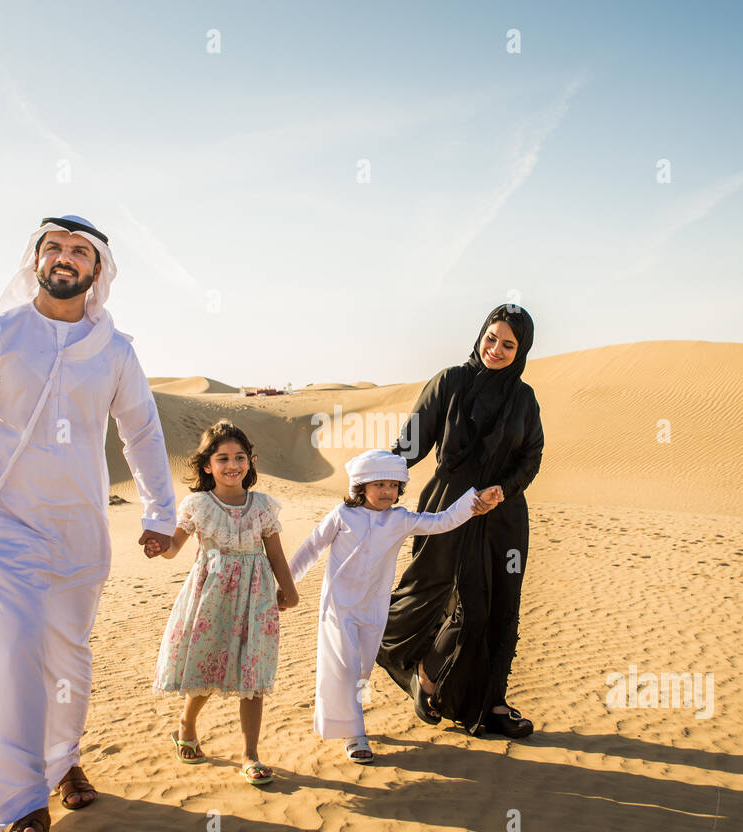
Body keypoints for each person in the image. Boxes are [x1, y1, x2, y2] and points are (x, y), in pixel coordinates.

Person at [0, 215, 176, 832]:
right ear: (36, 259)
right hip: (0, 522)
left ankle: (63, 760)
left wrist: (157, 511)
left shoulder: (115, 351)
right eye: (54, 248)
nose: (65, 258)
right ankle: (22, 799)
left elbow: (142, 431)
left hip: (79, 526)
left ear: (97, 271)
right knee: (8, 653)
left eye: (78, 252)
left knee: (67, 655)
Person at [377, 304, 544, 738]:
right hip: (450, 509)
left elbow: (532, 456)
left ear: (521, 349)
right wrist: (376, 481)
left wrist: (503, 490)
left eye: (509, 344)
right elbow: (410, 444)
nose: (496, 349)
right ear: (480, 335)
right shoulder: (451, 381)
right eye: (492, 338)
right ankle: (426, 675)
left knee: (502, 610)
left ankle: (492, 704)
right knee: (457, 602)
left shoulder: (523, 398)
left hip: (504, 515)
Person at [287, 450, 500, 763]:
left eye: (393, 485)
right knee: (344, 667)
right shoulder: (343, 515)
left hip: (373, 610)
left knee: (359, 670)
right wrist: (285, 583)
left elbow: (441, 521)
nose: (387, 491)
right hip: (338, 608)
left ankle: (339, 720)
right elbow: (311, 547)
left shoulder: (399, 519)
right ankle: (355, 734)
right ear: (361, 486)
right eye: (379, 484)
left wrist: (473, 502)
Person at [152, 419, 297, 786]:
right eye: (222, 458)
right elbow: (174, 547)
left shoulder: (263, 506)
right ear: (207, 465)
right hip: (211, 596)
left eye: (240, 457)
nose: (233, 465)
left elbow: (276, 554)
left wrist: (289, 590)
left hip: (256, 595)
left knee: (253, 673)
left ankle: (250, 755)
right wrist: (159, 546)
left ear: (250, 461)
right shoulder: (199, 504)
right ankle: (186, 725)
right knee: (206, 666)